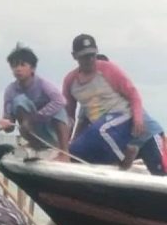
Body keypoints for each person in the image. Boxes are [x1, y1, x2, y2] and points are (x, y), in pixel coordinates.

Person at [63, 34, 166, 175]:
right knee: (81, 149)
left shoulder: (108, 72)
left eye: (93, 55)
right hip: (116, 138)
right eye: (85, 57)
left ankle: (126, 161)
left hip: (144, 133)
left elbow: (133, 94)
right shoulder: (80, 91)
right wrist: (66, 146)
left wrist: (137, 119)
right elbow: (73, 119)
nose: (90, 60)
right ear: (75, 56)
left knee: (161, 173)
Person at [0, 44, 70, 157]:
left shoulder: (43, 84)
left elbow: (61, 101)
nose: (18, 69)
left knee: (59, 111)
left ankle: (64, 152)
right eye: (14, 66)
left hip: (50, 129)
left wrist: (36, 117)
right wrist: (6, 124)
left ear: (32, 68)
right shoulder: (10, 90)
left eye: (22, 65)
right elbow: (9, 123)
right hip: (31, 130)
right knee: (19, 101)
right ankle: (35, 144)